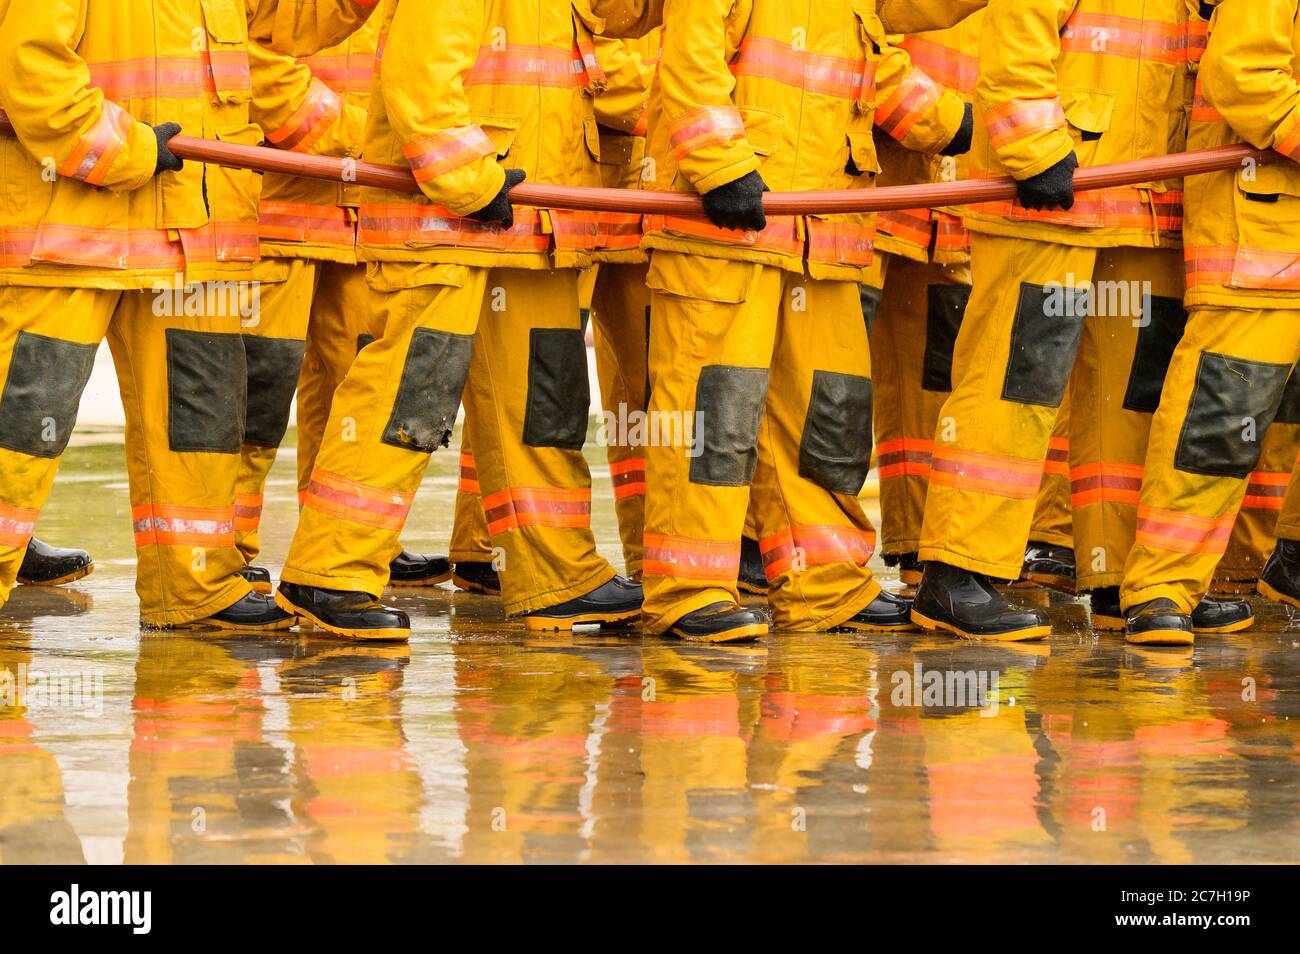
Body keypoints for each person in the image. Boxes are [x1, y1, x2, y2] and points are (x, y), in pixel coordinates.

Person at [275, 0, 642, 640]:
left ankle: (555, 574)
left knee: (542, 398)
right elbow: (421, 76)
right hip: (452, 214)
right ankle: (330, 570)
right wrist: (472, 182)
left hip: (530, 217)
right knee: (411, 391)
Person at [639, 0, 971, 642]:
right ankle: (688, 590)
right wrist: (721, 166)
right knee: (715, 407)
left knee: (828, 409)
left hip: (821, 226)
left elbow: (888, 49)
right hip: (727, 222)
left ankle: (825, 583)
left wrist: (957, 124)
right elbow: (691, 62)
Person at [909, 0, 1241, 642]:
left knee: (1130, 400)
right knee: (1016, 380)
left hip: (1145, 201)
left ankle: (1120, 578)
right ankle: (956, 573)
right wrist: (1034, 151)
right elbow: (1017, 30)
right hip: (1055, 190)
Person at [0, 0, 293, 631]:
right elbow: (32, 67)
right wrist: (130, 151)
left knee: (201, 418)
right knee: (24, 423)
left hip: (194, 236)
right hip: (71, 233)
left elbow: (291, 21)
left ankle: (195, 586)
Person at [1121, 0, 1300, 642]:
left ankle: (1281, 567)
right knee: (1220, 420)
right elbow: (1246, 79)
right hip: (1263, 239)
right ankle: (1160, 589)